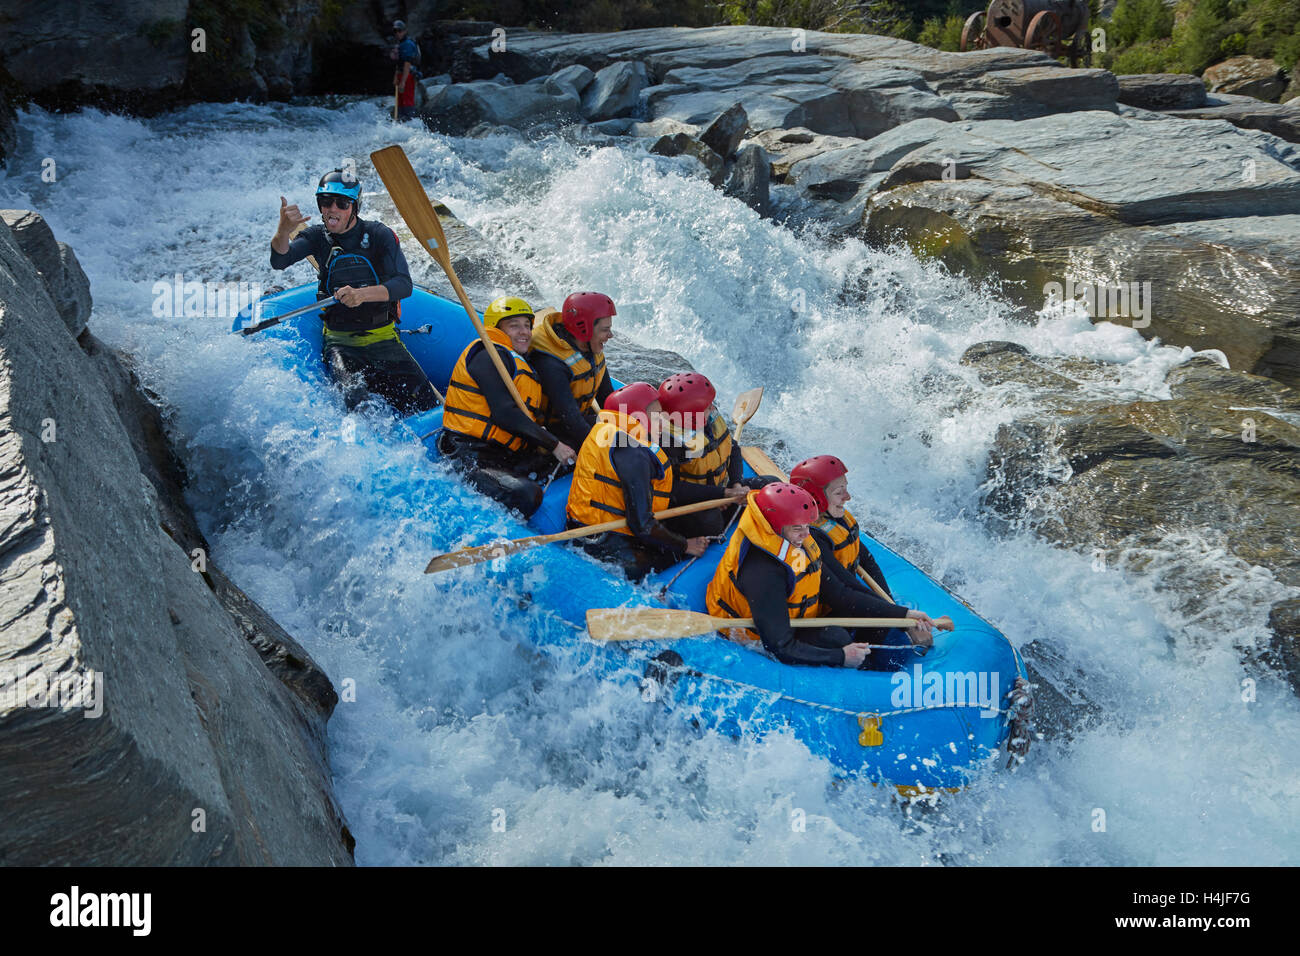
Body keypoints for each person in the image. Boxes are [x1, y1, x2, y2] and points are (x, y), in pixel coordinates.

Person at [706, 483, 941, 669]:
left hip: (796, 615)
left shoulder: (797, 539)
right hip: (757, 633)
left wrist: (903, 616)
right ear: (776, 526)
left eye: (807, 526)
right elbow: (779, 645)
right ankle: (866, 677)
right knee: (836, 638)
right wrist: (840, 656)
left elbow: (841, 594)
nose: (806, 535)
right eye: (798, 528)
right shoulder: (763, 571)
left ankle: (871, 666)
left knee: (869, 617)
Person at [270, 169, 440, 415]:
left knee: (425, 405)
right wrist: (283, 230)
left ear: (354, 207)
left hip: (384, 339)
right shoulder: (316, 237)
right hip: (342, 344)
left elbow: (404, 285)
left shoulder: (378, 235)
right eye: (326, 202)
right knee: (359, 408)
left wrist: (362, 295)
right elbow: (279, 260)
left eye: (342, 203)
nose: (333, 209)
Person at [566, 382, 744, 581]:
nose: (664, 420)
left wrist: (722, 493)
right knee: (661, 557)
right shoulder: (633, 454)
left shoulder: (617, 431)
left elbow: (667, 491)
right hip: (600, 539)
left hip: (605, 526)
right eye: (658, 416)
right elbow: (642, 525)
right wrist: (685, 545)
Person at [438, 296, 577, 517]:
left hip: (504, 455)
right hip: (469, 454)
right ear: (497, 329)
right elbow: (504, 413)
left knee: (573, 455)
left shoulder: (520, 362)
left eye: (527, 326)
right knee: (527, 494)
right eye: (514, 326)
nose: (524, 332)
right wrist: (553, 445)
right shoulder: (488, 354)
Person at [655, 372, 773, 537]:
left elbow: (733, 448)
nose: (712, 408)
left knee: (770, 486)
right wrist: (722, 495)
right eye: (706, 406)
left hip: (722, 490)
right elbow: (673, 490)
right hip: (688, 503)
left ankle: (733, 508)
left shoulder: (710, 419)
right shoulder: (668, 443)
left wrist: (736, 485)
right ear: (690, 414)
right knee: (711, 522)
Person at [790, 455, 893, 598]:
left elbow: (867, 560)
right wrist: (895, 614)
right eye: (839, 492)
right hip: (832, 602)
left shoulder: (837, 517)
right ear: (816, 498)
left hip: (846, 589)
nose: (848, 497)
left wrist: (888, 599)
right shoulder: (811, 536)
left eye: (846, 488)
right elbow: (844, 587)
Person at [529, 291, 615, 449]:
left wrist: (634, 429)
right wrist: (601, 451)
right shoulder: (550, 363)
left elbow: (608, 399)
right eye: (605, 329)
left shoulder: (590, 350)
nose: (610, 335)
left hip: (579, 420)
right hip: (552, 433)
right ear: (584, 330)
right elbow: (571, 420)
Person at [392, 20, 420, 121]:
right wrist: (396, 77)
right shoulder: (400, 44)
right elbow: (399, 63)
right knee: (399, 102)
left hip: (408, 75)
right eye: (395, 31)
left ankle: (410, 121)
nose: (397, 33)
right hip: (401, 74)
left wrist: (403, 82)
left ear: (404, 31)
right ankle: (400, 120)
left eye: (399, 31)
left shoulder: (408, 44)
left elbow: (407, 64)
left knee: (407, 101)